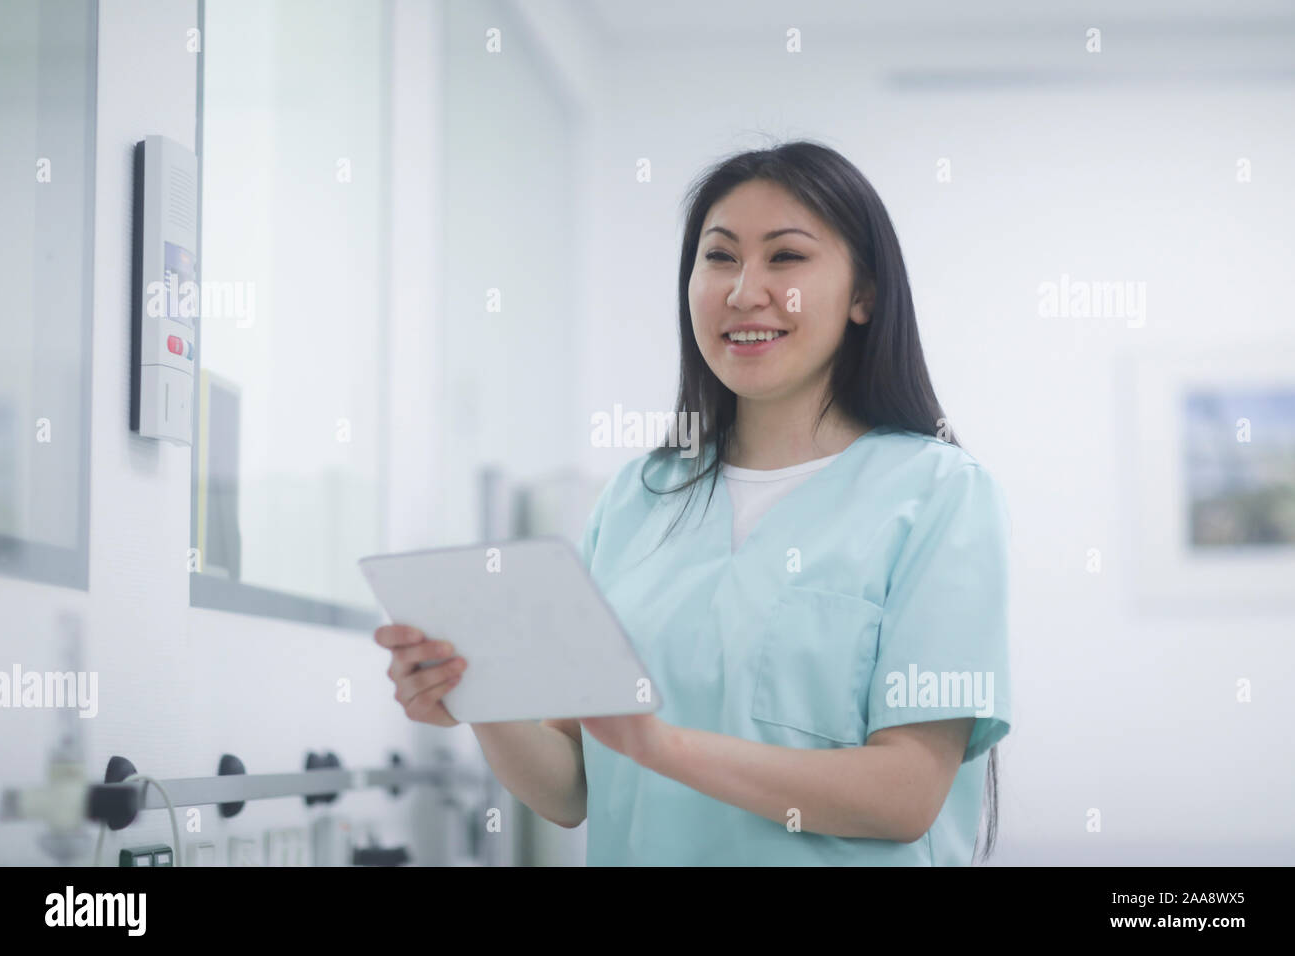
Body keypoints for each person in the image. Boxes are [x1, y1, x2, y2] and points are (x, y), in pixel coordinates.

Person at [377, 140, 1012, 866]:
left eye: (785, 257)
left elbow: (905, 794)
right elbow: (572, 787)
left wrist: (663, 747)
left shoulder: (937, 494)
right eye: (719, 258)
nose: (744, 291)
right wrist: (478, 696)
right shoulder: (638, 499)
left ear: (864, 294)